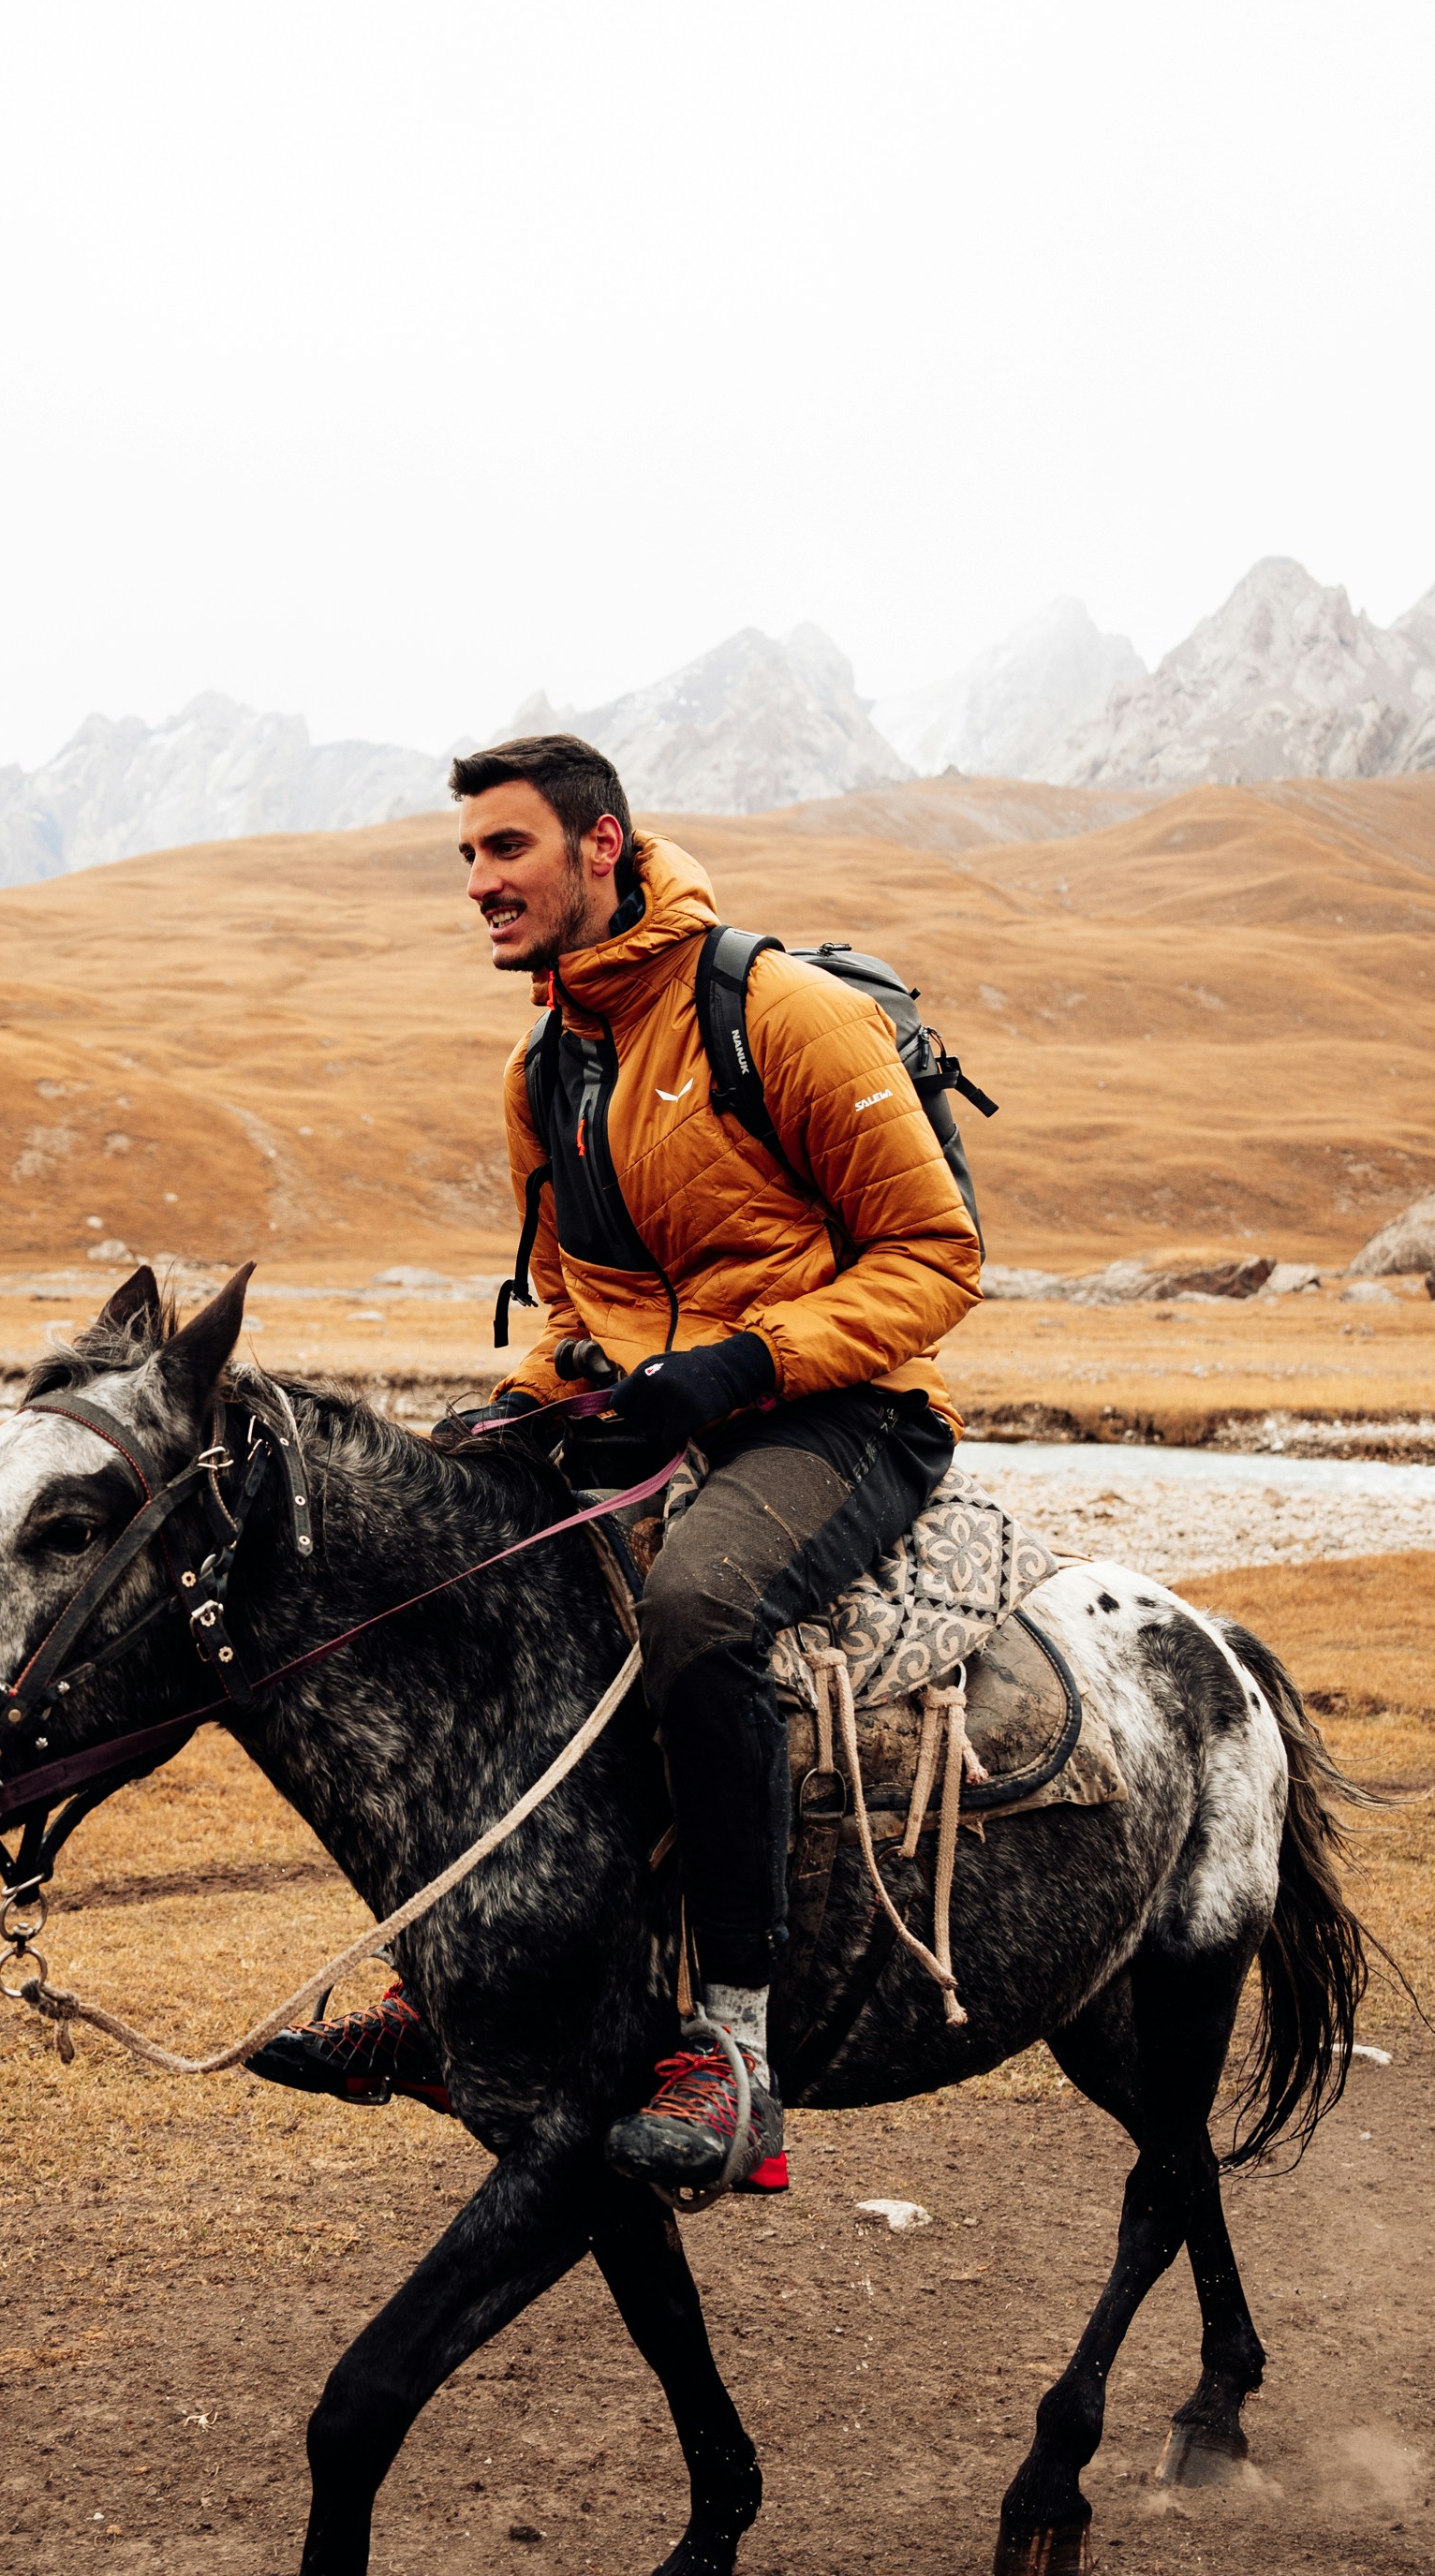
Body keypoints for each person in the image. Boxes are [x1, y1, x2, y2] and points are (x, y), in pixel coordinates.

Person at [251, 731, 982, 2197]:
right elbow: (577, 1296)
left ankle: (736, 2047)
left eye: (504, 848)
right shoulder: (547, 1064)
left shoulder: (778, 1010)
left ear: (599, 846)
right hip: (652, 1405)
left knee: (700, 1615)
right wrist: (504, 1416)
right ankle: (452, 1989)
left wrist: (730, 1368)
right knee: (435, 1556)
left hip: (838, 1412)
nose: (478, 881)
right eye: (464, 855)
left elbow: (938, 1259)